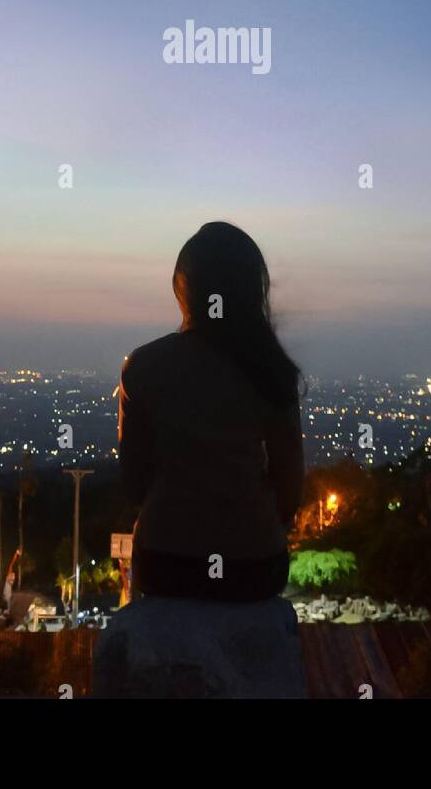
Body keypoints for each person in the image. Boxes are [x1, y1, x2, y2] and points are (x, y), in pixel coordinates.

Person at [117, 222, 304, 602]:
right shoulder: (272, 371)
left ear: (184, 288)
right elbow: (289, 487)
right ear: (253, 289)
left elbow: (135, 483)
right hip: (254, 565)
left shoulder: (143, 367)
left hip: (166, 562)